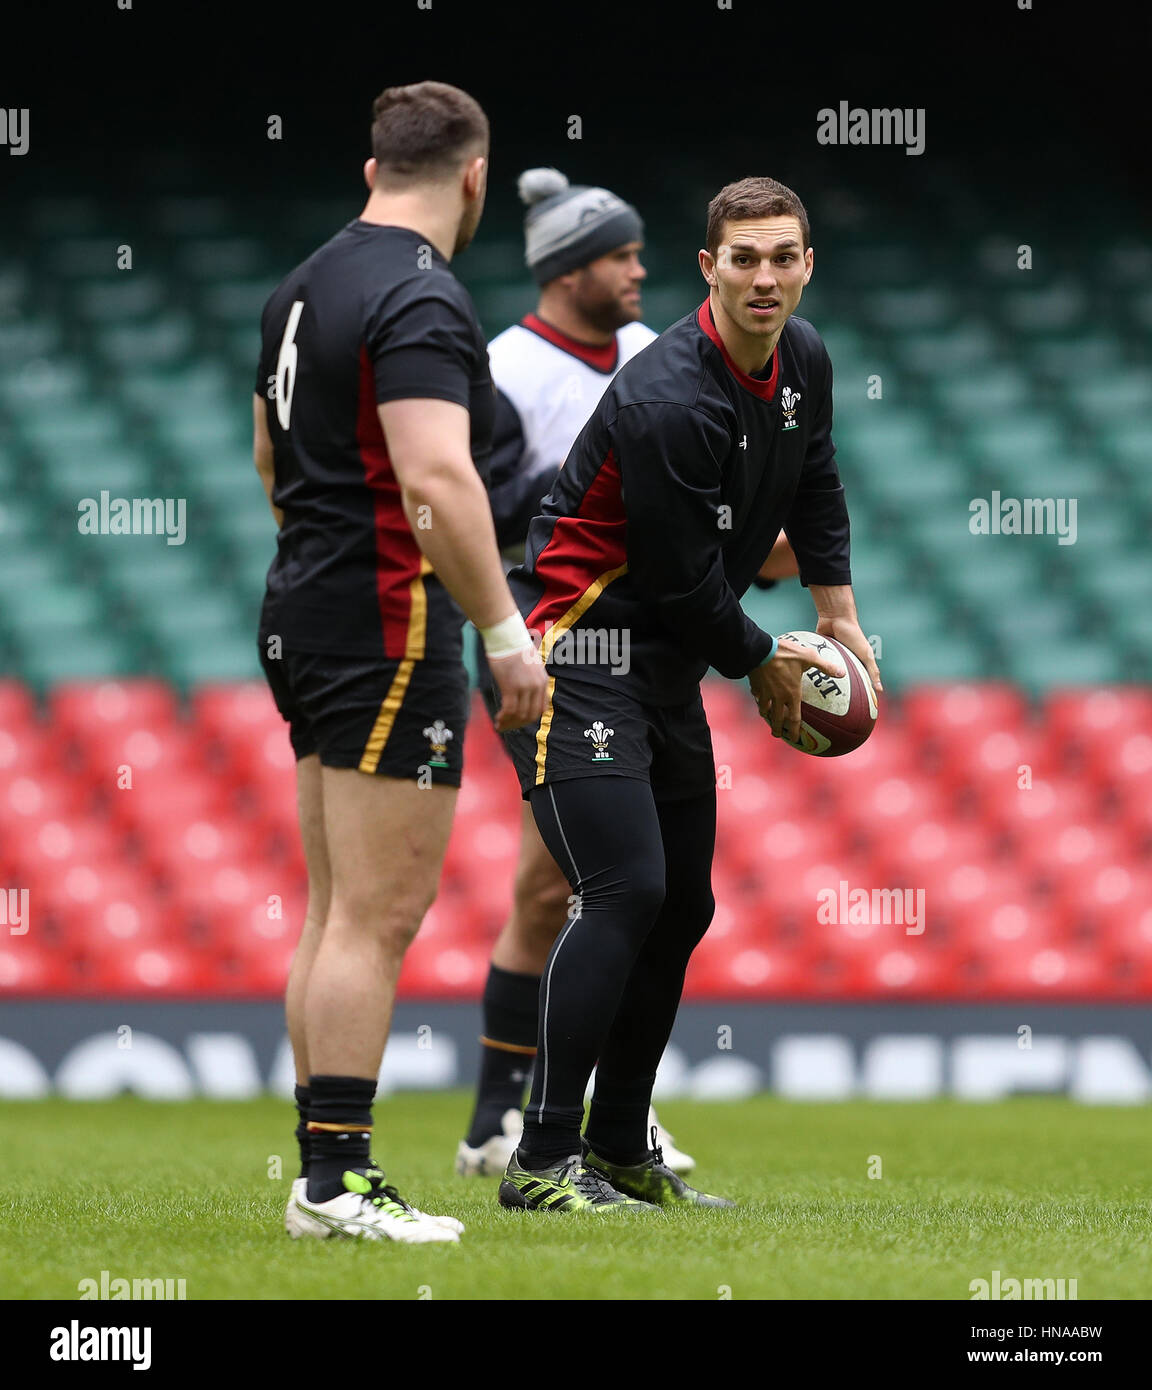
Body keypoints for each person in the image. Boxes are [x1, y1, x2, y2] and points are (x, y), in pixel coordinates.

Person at [493, 175, 883, 1213]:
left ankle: (621, 1143)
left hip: (658, 667)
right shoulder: (672, 394)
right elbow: (678, 577)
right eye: (743, 258)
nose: (765, 277)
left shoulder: (801, 359)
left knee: (683, 903)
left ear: (808, 265)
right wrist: (763, 661)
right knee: (625, 890)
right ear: (707, 268)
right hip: (580, 653)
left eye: (783, 257)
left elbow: (817, 481)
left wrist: (838, 613)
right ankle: (538, 1159)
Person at [456, 167, 801, 1179]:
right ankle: (513, 1127)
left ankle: (574, 1127)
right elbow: (468, 513)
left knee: (568, 884)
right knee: (590, 884)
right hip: (552, 632)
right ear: (567, 268)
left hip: (646, 642)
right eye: (617, 254)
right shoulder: (506, 370)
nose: (636, 269)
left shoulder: (660, 353)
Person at [252, 80, 547, 1244]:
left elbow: (271, 458)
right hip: (386, 621)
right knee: (375, 917)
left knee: (333, 909)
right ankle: (338, 1182)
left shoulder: (302, 283)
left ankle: (319, 1170)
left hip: (304, 609)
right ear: (474, 177)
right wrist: (505, 629)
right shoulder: (422, 296)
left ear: (373, 165)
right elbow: (437, 479)